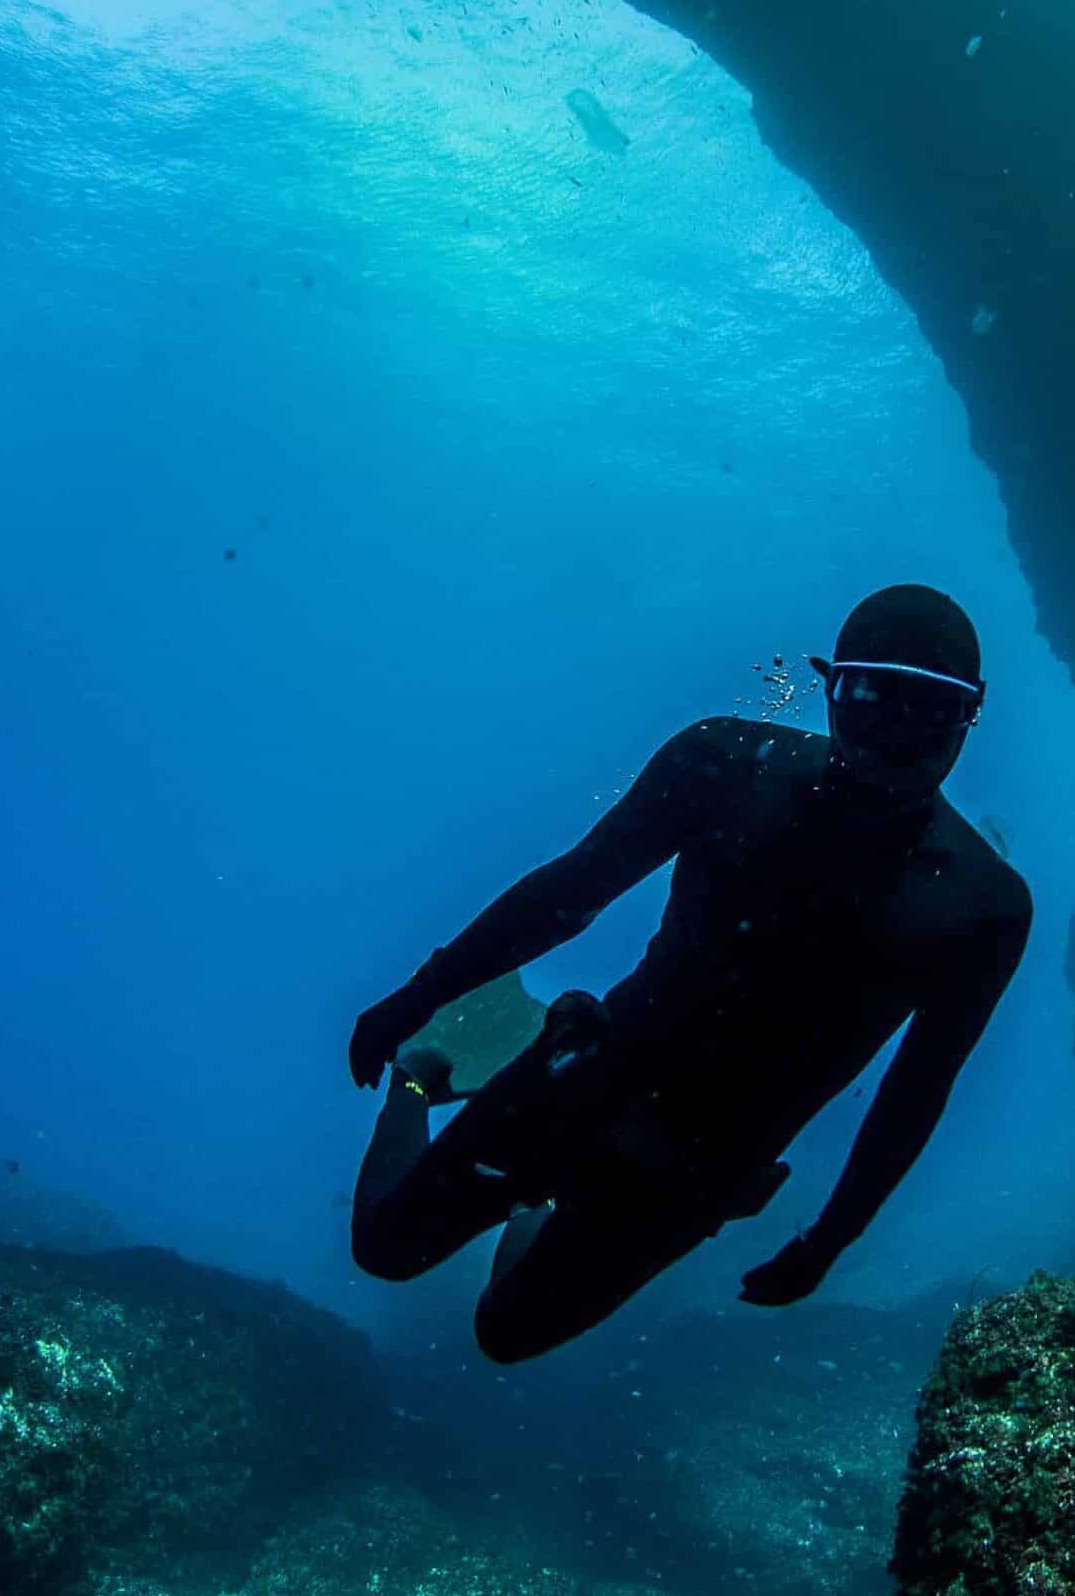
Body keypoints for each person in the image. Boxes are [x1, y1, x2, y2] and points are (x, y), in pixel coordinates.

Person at [347, 584, 1031, 1364]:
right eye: (873, 696)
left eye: (929, 707)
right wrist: (417, 999)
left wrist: (834, 1236)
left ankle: (535, 1199)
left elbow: (917, 1089)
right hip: (588, 1073)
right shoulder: (725, 764)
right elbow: (571, 892)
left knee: (507, 1334)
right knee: (384, 1250)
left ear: (973, 711)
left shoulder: (985, 909)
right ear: (828, 684)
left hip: (699, 1166)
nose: (896, 737)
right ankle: (420, 1078)